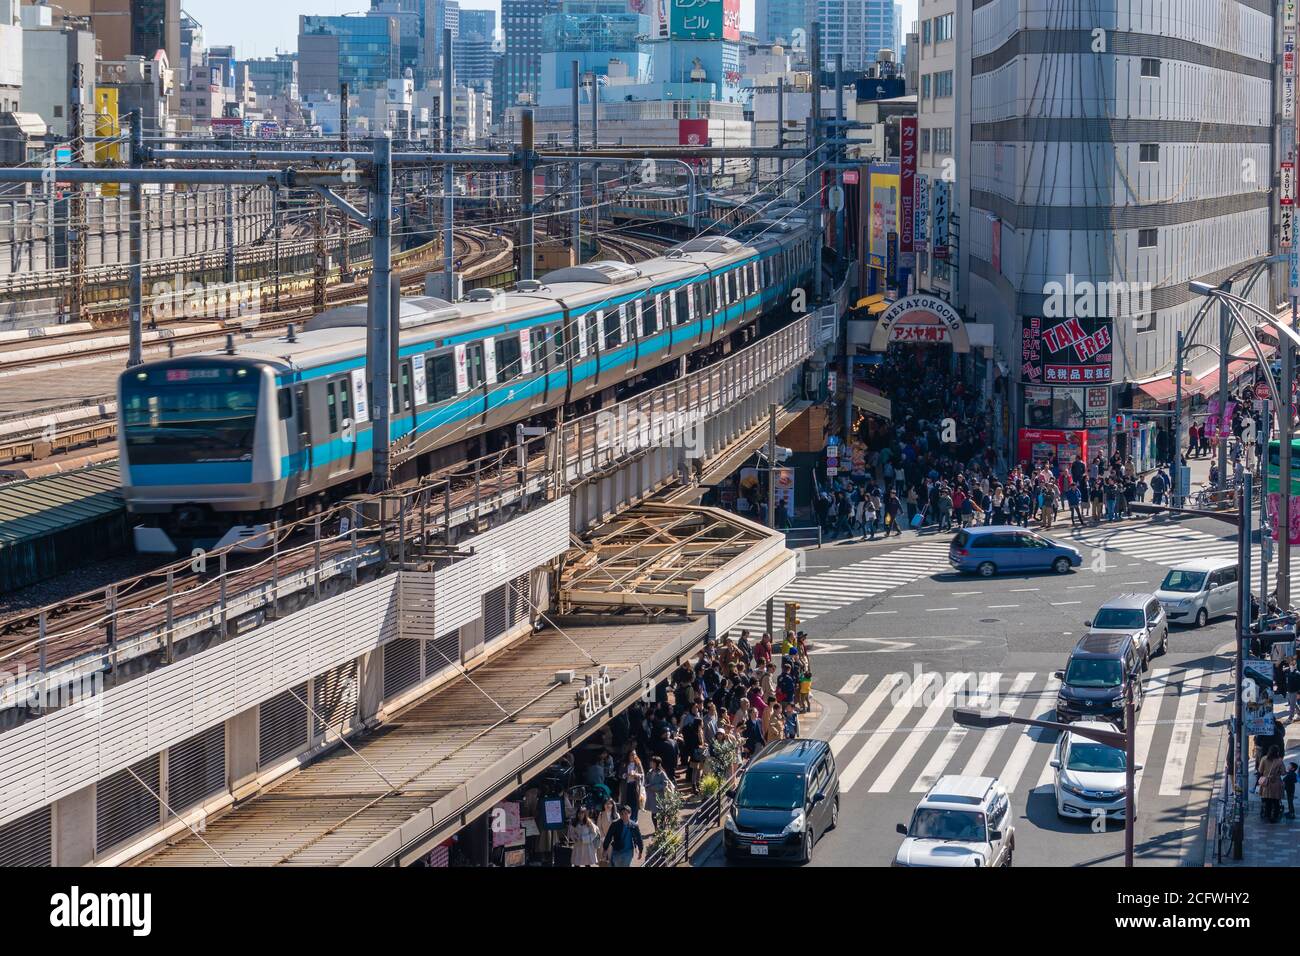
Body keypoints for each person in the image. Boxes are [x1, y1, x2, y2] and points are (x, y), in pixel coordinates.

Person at [643, 755, 674, 824]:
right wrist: (646, 784)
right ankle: (656, 829)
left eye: (652, 762)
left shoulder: (662, 773)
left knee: (661, 813)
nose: (651, 763)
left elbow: (665, 784)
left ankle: (662, 828)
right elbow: (646, 780)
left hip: (660, 796)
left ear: (656, 764)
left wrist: (653, 787)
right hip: (651, 796)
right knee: (654, 814)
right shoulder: (649, 772)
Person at [1258, 745, 1285, 823]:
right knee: (1276, 801)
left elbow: (1260, 770)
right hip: (1276, 783)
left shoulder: (1264, 759)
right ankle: (1275, 816)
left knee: (1267, 801)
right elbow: (1283, 773)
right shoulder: (1279, 761)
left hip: (1266, 783)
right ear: (1277, 752)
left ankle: (1268, 815)